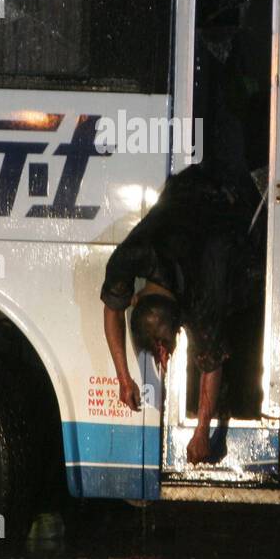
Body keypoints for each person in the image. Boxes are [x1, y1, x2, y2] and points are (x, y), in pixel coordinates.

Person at [100, 163, 263, 464]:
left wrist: (202, 431)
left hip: (236, 198)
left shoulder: (204, 294)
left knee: (246, 304)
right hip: (185, 188)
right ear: (134, 300)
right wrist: (123, 378)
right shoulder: (132, 254)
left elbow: (212, 364)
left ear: (183, 322)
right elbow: (111, 308)